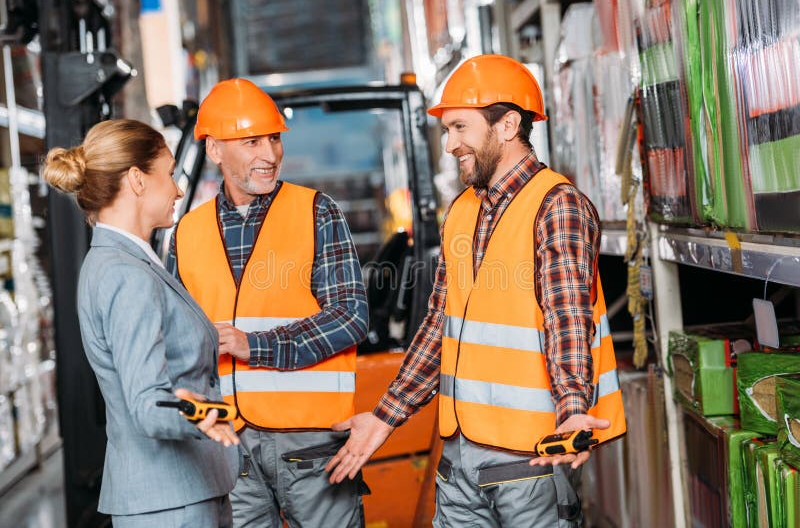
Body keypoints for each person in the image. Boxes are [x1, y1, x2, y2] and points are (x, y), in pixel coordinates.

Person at [325, 54, 627, 527]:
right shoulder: (464, 210)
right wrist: (385, 417)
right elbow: (440, 327)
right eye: (446, 131)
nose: (450, 144)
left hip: (529, 461)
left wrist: (573, 409)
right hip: (460, 462)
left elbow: (566, 316)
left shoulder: (556, 204)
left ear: (508, 124)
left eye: (460, 127)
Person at [166, 78, 369, 528]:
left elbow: (351, 316)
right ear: (215, 150)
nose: (270, 154)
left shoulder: (317, 212)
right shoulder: (187, 232)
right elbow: (176, 338)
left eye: (274, 138)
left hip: (310, 445)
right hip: (228, 447)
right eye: (252, 141)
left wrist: (253, 345)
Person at [42, 119, 239, 527]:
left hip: (180, 492)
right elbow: (148, 402)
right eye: (168, 175)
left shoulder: (125, 262)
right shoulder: (125, 273)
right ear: (136, 180)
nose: (178, 189)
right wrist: (198, 410)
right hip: (172, 501)